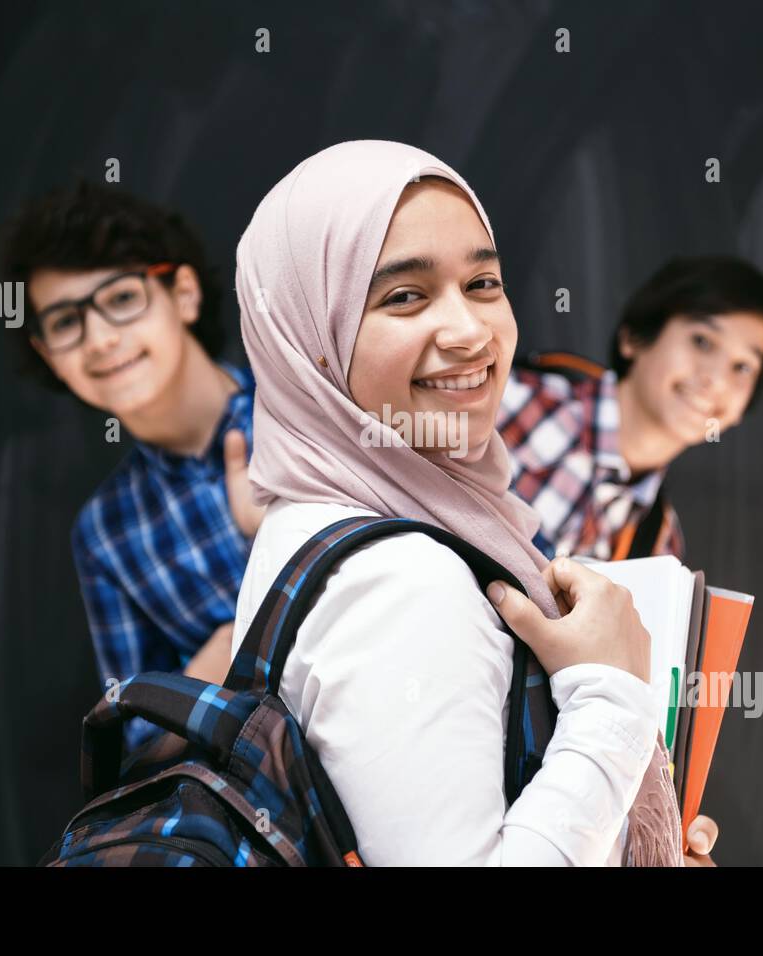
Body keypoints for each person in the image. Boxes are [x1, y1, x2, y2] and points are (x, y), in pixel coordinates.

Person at [229, 140, 716, 865]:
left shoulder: (311, 515)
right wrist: (612, 695)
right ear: (309, 340)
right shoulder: (396, 584)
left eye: (483, 282)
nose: (469, 331)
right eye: (404, 295)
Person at [0, 181, 260, 752]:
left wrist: (295, 534)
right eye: (65, 323)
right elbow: (139, 746)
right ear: (48, 355)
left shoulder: (311, 403)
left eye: (120, 299)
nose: (98, 339)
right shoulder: (106, 533)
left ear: (183, 293)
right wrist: (228, 647)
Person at [500, 256, 763, 562]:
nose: (717, 380)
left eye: (743, 367)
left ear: (742, 410)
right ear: (634, 337)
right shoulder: (509, 402)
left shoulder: (659, 550)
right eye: (702, 342)